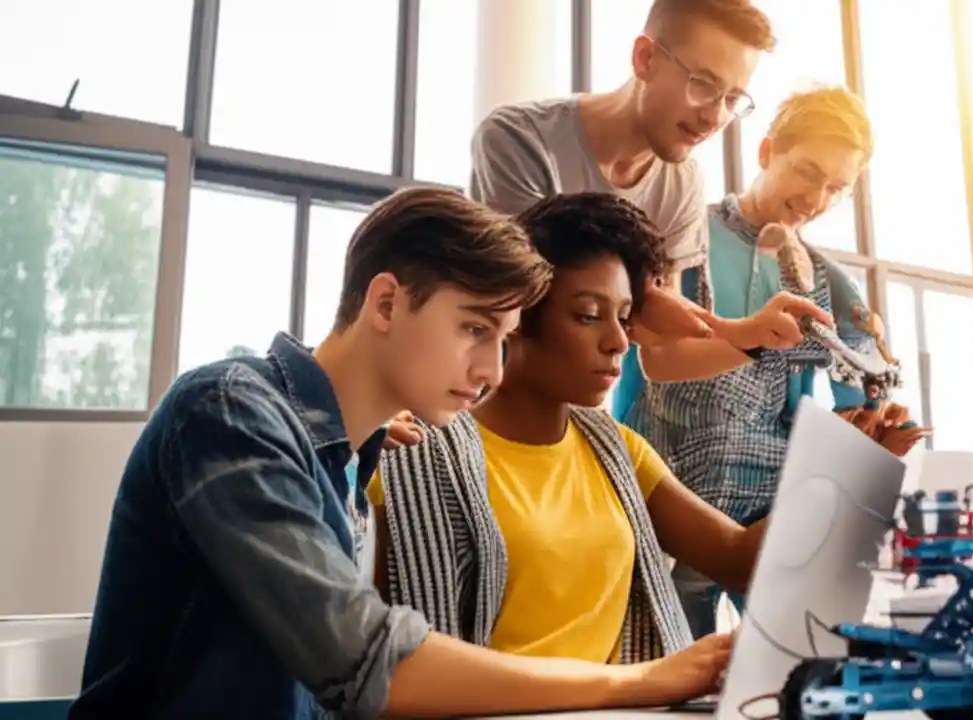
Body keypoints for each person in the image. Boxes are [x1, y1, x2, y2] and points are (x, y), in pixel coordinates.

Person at [70, 187, 730, 720]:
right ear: (386, 301)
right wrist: (636, 681)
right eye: (474, 328)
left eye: (502, 338)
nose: (493, 370)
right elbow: (365, 663)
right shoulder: (229, 412)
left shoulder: (352, 459)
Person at [368, 193, 768, 662]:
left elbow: (741, 560)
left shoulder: (616, 450)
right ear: (518, 314)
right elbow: (385, 663)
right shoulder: (412, 453)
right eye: (588, 316)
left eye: (623, 318)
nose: (618, 341)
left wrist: (860, 468)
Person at [623, 86, 928, 637]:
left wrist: (871, 426)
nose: (816, 198)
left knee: (793, 658)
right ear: (765, 152)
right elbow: (656, 357)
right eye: (806, 171)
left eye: (836, 187)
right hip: (666, 490)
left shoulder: (825, 279)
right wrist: (755, 338)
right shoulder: (684, 230)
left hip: (771, 504)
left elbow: (860, 398)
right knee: (668, 654)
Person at [471, 0, 833, 382]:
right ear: (644, 58)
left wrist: (749, 335)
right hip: (489, 397)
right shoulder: (519, 139)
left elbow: (663, 359)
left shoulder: (681, 184)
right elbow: (521, 303)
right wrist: (644, 302)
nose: (713, 118)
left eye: (730, 100)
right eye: (703, 85)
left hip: (575, 421)